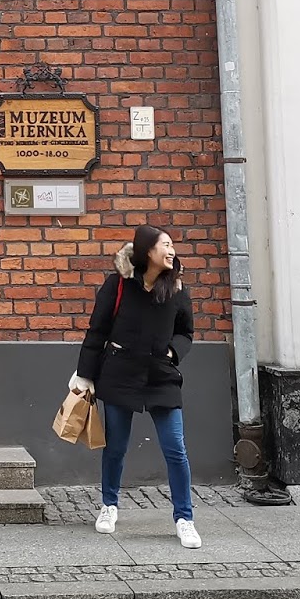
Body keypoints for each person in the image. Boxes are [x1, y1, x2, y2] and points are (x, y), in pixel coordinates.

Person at [68, 224, 199, 548]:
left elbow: (186, 332)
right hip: (120, 373)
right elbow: (97, 330)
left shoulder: (177, 287)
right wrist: (86, 375)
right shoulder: (118, 286)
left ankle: (185, 518)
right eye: (164, 245)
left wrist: (172, 352)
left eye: (172, 245)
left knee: (175, 449)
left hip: (160, 374)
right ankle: (109, 506)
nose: (171, 250)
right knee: (115, 446)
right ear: (146, 252)